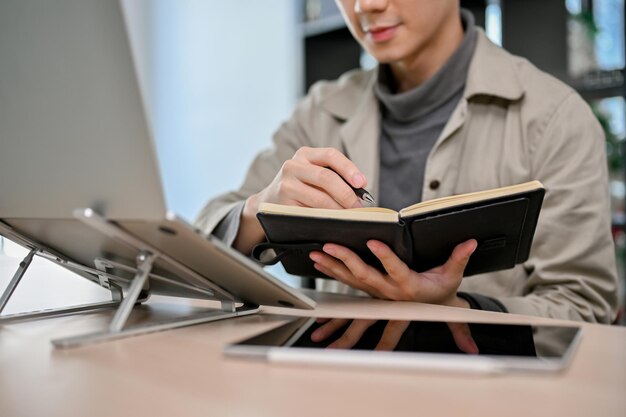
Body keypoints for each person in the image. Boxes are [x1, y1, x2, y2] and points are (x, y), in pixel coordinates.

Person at [196, 0, 618, 324]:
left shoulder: (556, 118)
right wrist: (259, 209)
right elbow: (197, 242)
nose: (364, 6)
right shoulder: (320, 111)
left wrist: (455, 307)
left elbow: (583, 308)